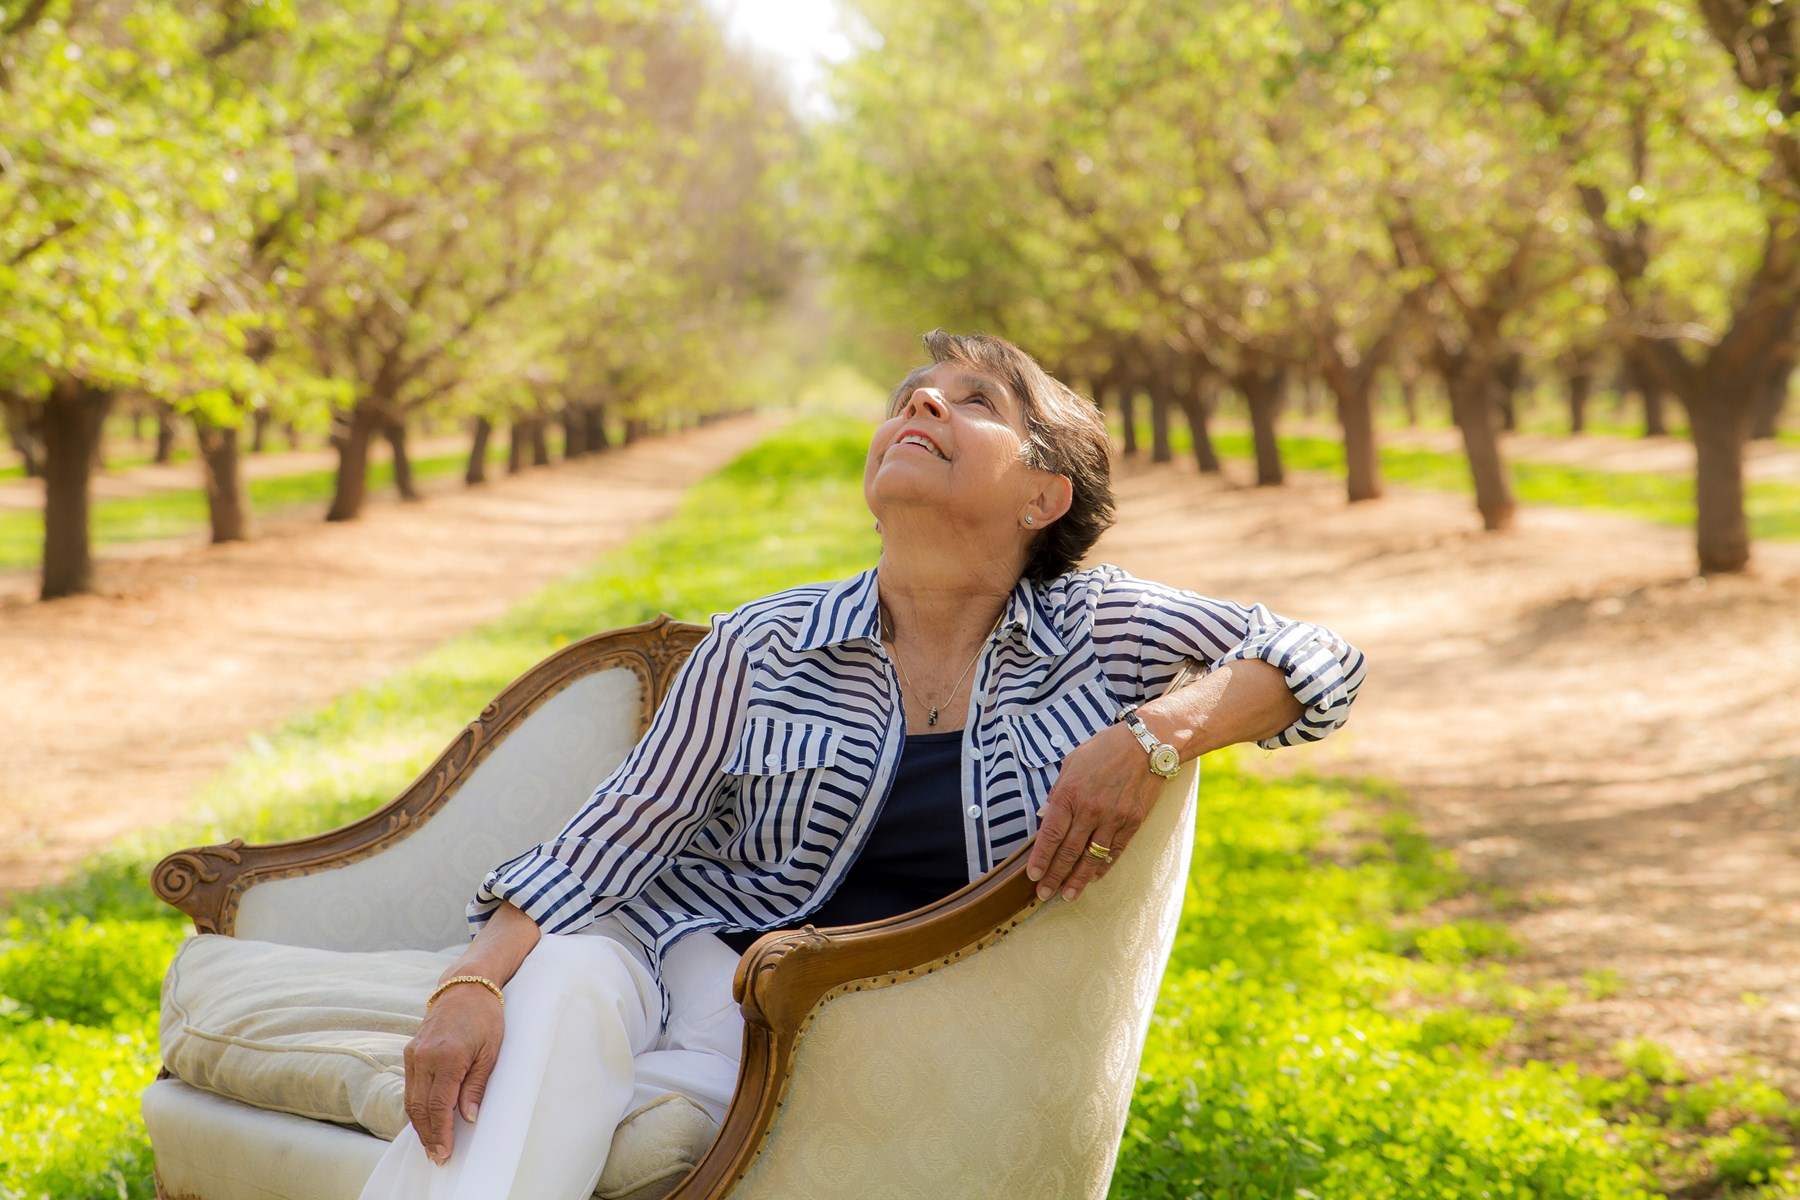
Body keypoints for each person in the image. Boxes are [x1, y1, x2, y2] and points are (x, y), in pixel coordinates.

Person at [359, 331, 1366, 1200]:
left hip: (882, 1032)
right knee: (564, 983)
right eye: (909, 399)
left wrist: (1154, 734)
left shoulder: (1101, 629)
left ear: (1043, 494)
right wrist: (473, 982)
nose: (922, 399)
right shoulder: (763, 644)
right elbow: (616, 836)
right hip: (690, 972)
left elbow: (1323, 661)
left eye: (978, 401)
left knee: (548, 1087)